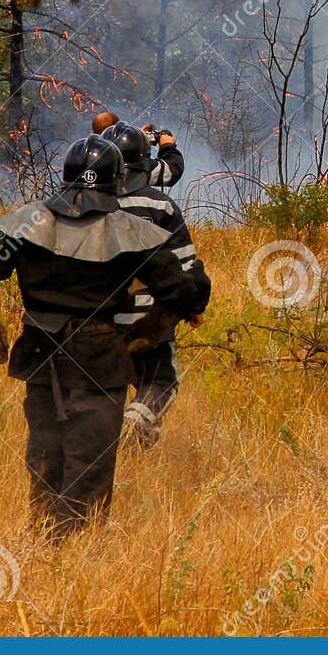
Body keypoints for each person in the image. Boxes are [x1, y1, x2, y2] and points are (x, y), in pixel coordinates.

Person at [0, 135, 211, 538]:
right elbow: (188, 292)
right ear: (116, 180)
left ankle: (42, 541)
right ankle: (72, 554)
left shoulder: (28, 222)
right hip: (99, 358)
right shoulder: (127, 231)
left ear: (66, 177)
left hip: (40, 353)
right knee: (88, 463)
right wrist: (152, 328)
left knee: (45, 454)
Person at [100, 122, 202, 446]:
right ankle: (139, 420)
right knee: (160, 381)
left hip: (95, 317)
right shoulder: (160, 205)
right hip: (148, 314)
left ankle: (101, 441)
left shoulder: (80, 204)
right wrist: (192, 305)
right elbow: (185, 265)